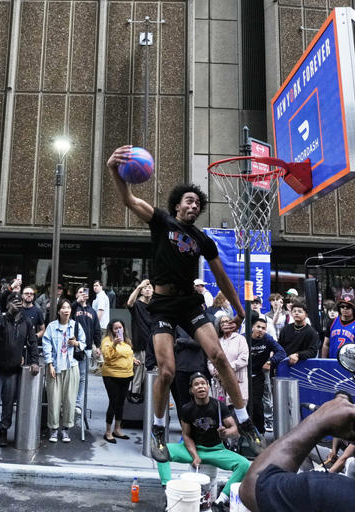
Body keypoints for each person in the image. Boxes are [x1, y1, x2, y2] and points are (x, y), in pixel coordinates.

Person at [107, 145, 263, 462]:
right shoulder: (161, 222)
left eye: (197, 203)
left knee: (218, 355)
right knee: (166, 371)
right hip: (163, 305)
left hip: (190, 304)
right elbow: (129, 200)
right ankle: (158, 431)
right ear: (177, 205)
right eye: (189, 201)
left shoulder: (202, 239)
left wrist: (240, 308)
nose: (194, 205)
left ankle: (245, 422)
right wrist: (114, 170)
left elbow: (221, 278)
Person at [157, 373, 251, 512]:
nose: (200, 386)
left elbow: (235, 429)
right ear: (191, 390)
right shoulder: (187, 409)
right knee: (161, 451)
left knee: (244, 464)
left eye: (203, 383)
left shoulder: (219, 406)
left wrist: (226, 433)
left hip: (216, 450)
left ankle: (220, 501)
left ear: (208, 386)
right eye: (196, 384)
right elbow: (186, 435)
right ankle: (169, 491)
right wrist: (195, 456)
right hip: (194, 449)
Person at [0, 292, 39, 449]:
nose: (17, 304)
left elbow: (32, 343)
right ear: (7, 305)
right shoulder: (1, 321)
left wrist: (34, 361)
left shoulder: (26, 322)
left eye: (18, 301)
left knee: (8, 404)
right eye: (13, 301)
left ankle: (3, 432)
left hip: (13, 370)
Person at [42, 299, 85, 443]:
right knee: (54, 399)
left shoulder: (76, 325)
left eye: (68, 307)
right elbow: (46, 344)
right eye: (63, 308)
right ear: (59, 311)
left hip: (72, 366)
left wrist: (76, 343)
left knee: (70, 399)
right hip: (55, 366)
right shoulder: (52, 326)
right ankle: (54, 429)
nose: (66, 310)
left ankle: (66, 429)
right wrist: (49, 364)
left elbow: (85, 344)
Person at [100, 319, 139, 443]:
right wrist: (114, 344)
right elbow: (106, 356)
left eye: (120, 327)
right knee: (113, 402)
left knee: (121, 403)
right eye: (116, 328)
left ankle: (117, 429)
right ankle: (108, 431)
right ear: (111, 329)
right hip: (112, 375)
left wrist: (133, 360)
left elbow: (128, 354)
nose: (118, 330)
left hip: (126, 375)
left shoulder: (126, 341)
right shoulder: (107, 341)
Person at [250, 315, 286, 434]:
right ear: (252, 328)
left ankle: (261, 431)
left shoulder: (268, 339)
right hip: (243, 376)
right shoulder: (244, 338)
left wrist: (270, 361)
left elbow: (281, 352)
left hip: (259, 375)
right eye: (258, 327)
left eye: (263, 328)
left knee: (257, 403)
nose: (260, 330)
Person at [207, 315, 249, 408]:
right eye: (222, 322)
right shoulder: (217, 341)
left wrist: (225, 369)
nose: (225, 324)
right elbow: (210, 361)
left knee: (237, 411)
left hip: (237, 379)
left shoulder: (240, 339)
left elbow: (244, 359)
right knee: (221, 411)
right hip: (219, 382)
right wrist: (215, 371)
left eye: (228, 321)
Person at [73, 286, 100, 415]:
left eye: (84, 292)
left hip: (87, 348)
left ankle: (77, 403)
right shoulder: (73, 307)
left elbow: (96, 329)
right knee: (71, 376)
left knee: (82, 377)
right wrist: (77, 302)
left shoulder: (92, 311)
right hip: (72, 347)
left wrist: (98, 345)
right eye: (80, 292)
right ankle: (68, 401)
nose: (82, 294)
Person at [126, 279, 152, 403]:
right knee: (138, 371)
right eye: (145, 288)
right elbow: (129, 303)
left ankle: (146, 394)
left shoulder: (154, 306)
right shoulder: (137, 305)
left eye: (149, 287)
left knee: (150, 371)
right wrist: (138, 287)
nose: (147, 289)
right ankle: (134, 393)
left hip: (153, 345)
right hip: (140, 345)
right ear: (141, 291)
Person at [278, 301, 319, 366]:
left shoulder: (311, 332)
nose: (296, 313)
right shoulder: (285, 329)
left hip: (304, 365)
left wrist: (298, 355)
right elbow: (279, 346)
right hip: (285, 364)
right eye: (294, 311)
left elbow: (312, 351)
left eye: (300, 311)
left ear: (306, 315)